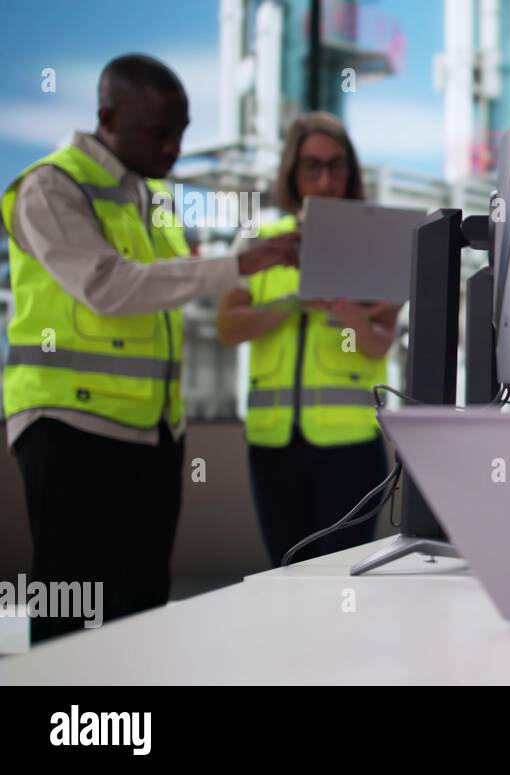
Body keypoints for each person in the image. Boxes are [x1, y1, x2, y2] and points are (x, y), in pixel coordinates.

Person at [3, 54, 298, 641]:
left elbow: (163, 289)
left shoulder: (149, 198)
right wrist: (236, 265)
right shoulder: (51, 187)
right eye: (159, 132)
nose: (173, 148)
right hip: (70, 426)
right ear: (107, 116)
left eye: (182, 132)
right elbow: (108, 287)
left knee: (140, 609)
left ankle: (128, 730)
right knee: (74, 611)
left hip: (151, 429)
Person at [216, 112, 398, 565]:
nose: (326, 177)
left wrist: (344, 310)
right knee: (286, 575)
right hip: (273, 445)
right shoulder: (261, 242)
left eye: (337, 165)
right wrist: (291, 303)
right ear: (292, 174)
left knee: (343, 578)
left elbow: (380, 343)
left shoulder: (372, 244)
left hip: (351, 447)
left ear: (351, 173)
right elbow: (227, 328)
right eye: (312, 165)